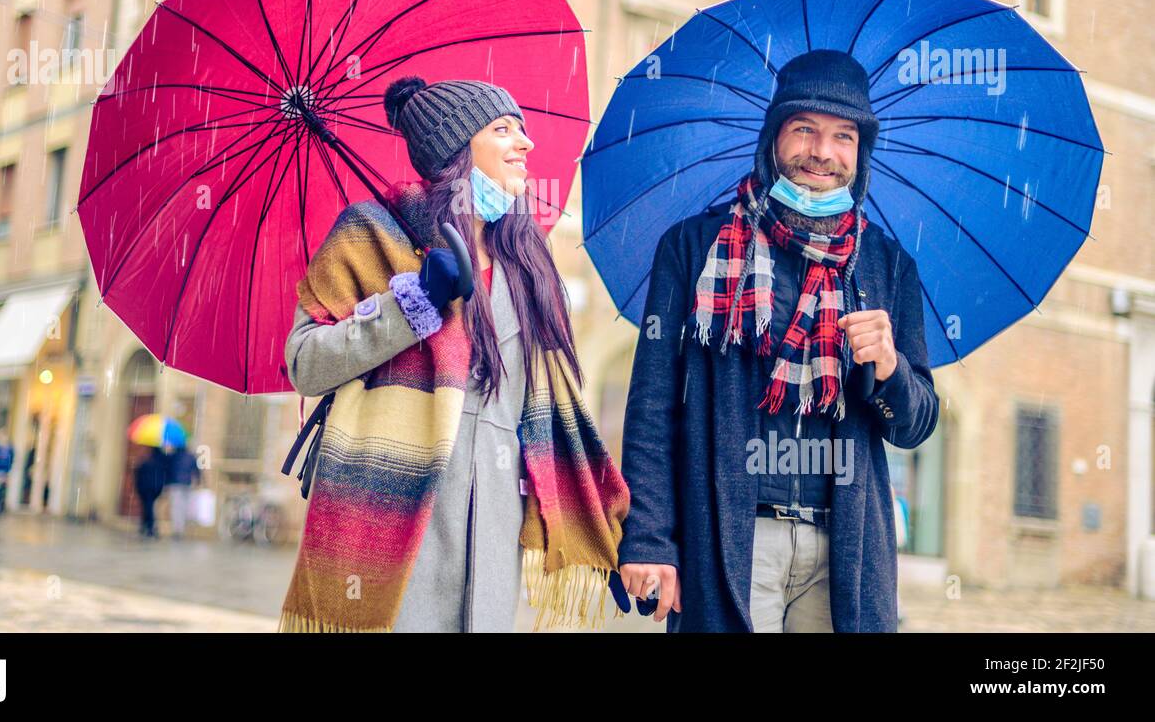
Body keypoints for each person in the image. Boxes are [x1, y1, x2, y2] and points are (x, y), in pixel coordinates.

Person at [278, 75, 629, 633]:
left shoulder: (527, 262)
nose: (526, 144)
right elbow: (306, 362)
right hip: (392, 515)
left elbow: (548, 411)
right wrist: (414, 302)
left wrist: (598, 521)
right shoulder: (372, 234)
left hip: (492, 526)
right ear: (458, 149)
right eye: (503, 129)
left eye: (523, 129)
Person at [618, 49, 940, 632]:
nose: (823, 152)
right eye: (805, 130)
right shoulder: (693, 247)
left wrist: (890, 368)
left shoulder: (887, 266)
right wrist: (649, 537)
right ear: (774, 139)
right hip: (729, 538)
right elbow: (651, 408)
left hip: (845, 549)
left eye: (844, 136)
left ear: (860, 154)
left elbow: (914, 424)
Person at [164, 444, 203, 538]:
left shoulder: (173, 456)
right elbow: (197, 471)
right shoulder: (191, 456)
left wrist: (166, 483)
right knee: (184, 507)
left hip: (175, 484)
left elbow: (167, 470)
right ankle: (181, 529)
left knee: (176, 507)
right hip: (187, 484)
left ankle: (177, 530)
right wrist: (198, 481)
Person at [134, 447, 168, 539]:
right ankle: (148, 526)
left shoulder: (145, 462)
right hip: (155, 489)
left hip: (145, 489)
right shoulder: (161, 463)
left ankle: (148, 526)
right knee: (149, 507)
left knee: (147, 507)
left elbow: (138, 475)